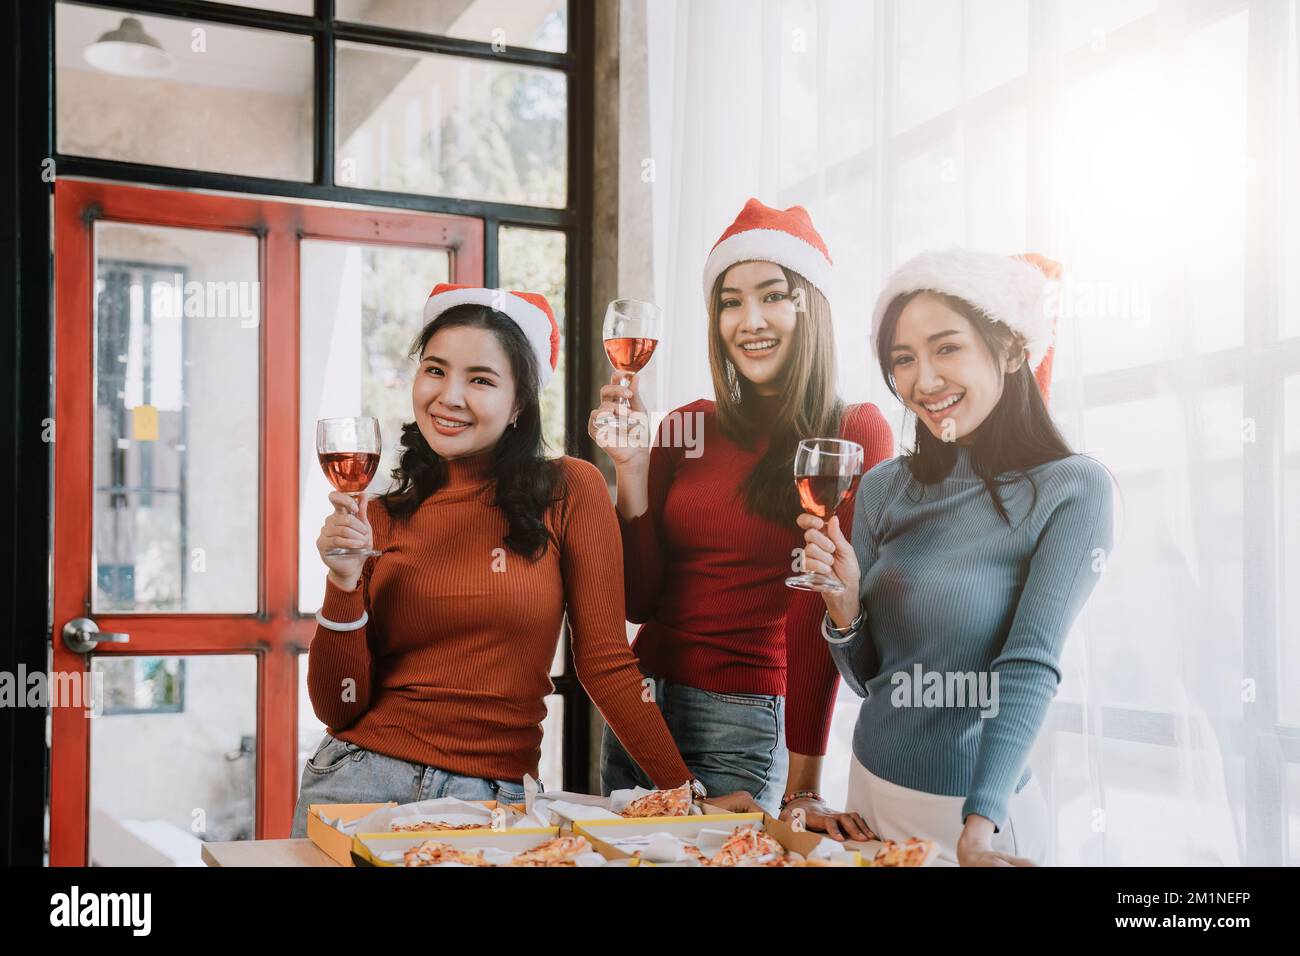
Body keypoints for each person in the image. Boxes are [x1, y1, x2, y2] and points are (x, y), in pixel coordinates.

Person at [291, 284, 755, 838]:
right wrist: (342, 583)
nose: (449, 396)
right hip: (356, 785)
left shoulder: (568, 491)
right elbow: (337, 708)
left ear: (518, 405)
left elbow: (606, 664)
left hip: (488, 804)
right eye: (435, 370)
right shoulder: (380, 517)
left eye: (480, 379)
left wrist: (686, 794)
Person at [798, 249, 1114, 864]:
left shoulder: (1072, 490)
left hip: (977, 819)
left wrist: (980, 822)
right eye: (903, 360)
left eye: (946, 348)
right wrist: (842, 608)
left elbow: (1029, 666)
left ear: (1013, 350)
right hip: (867, 802)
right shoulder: (887, 486)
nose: (924, 380)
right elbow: (870, 680)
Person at [590, 199, 893, 838]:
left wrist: (804, 787)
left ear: (809, 305)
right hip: (638, 709)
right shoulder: (686, 425)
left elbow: (821, 607)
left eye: (772, 296)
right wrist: (632, 470)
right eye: (730, 301)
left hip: (743, 720)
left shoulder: (850, 432)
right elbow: (641, 600)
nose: (748, 320)